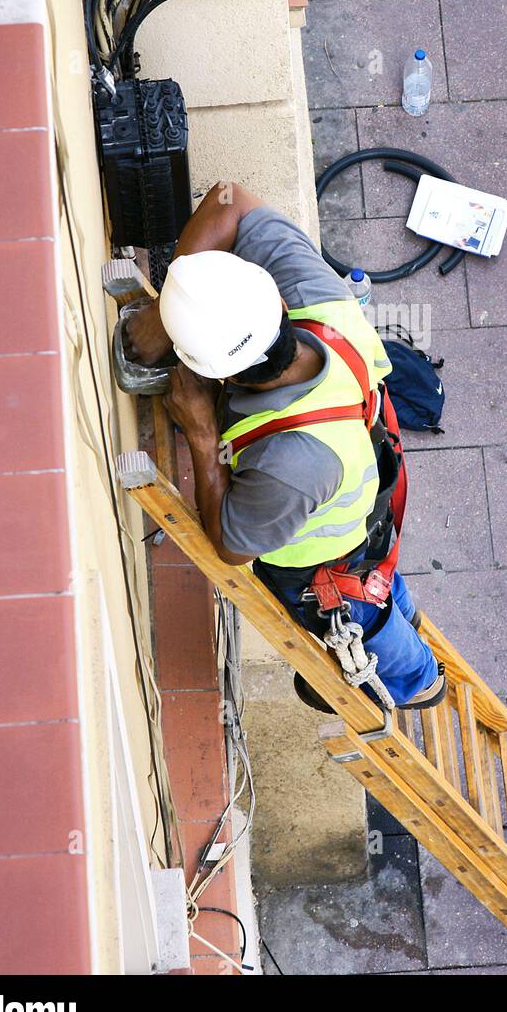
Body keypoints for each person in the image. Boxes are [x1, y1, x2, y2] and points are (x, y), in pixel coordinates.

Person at [125, 181, 444, 712]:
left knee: (364, 616)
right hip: (364, 495)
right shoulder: (319, 303)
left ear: (213, 377)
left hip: (321, 568)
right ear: (275, 299)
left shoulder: (291, 462)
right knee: (380, 578)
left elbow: (232, 547)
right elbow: (231, 199)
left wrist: (204, 438)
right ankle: (399, 614)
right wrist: (167, 312)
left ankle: (417, 682)